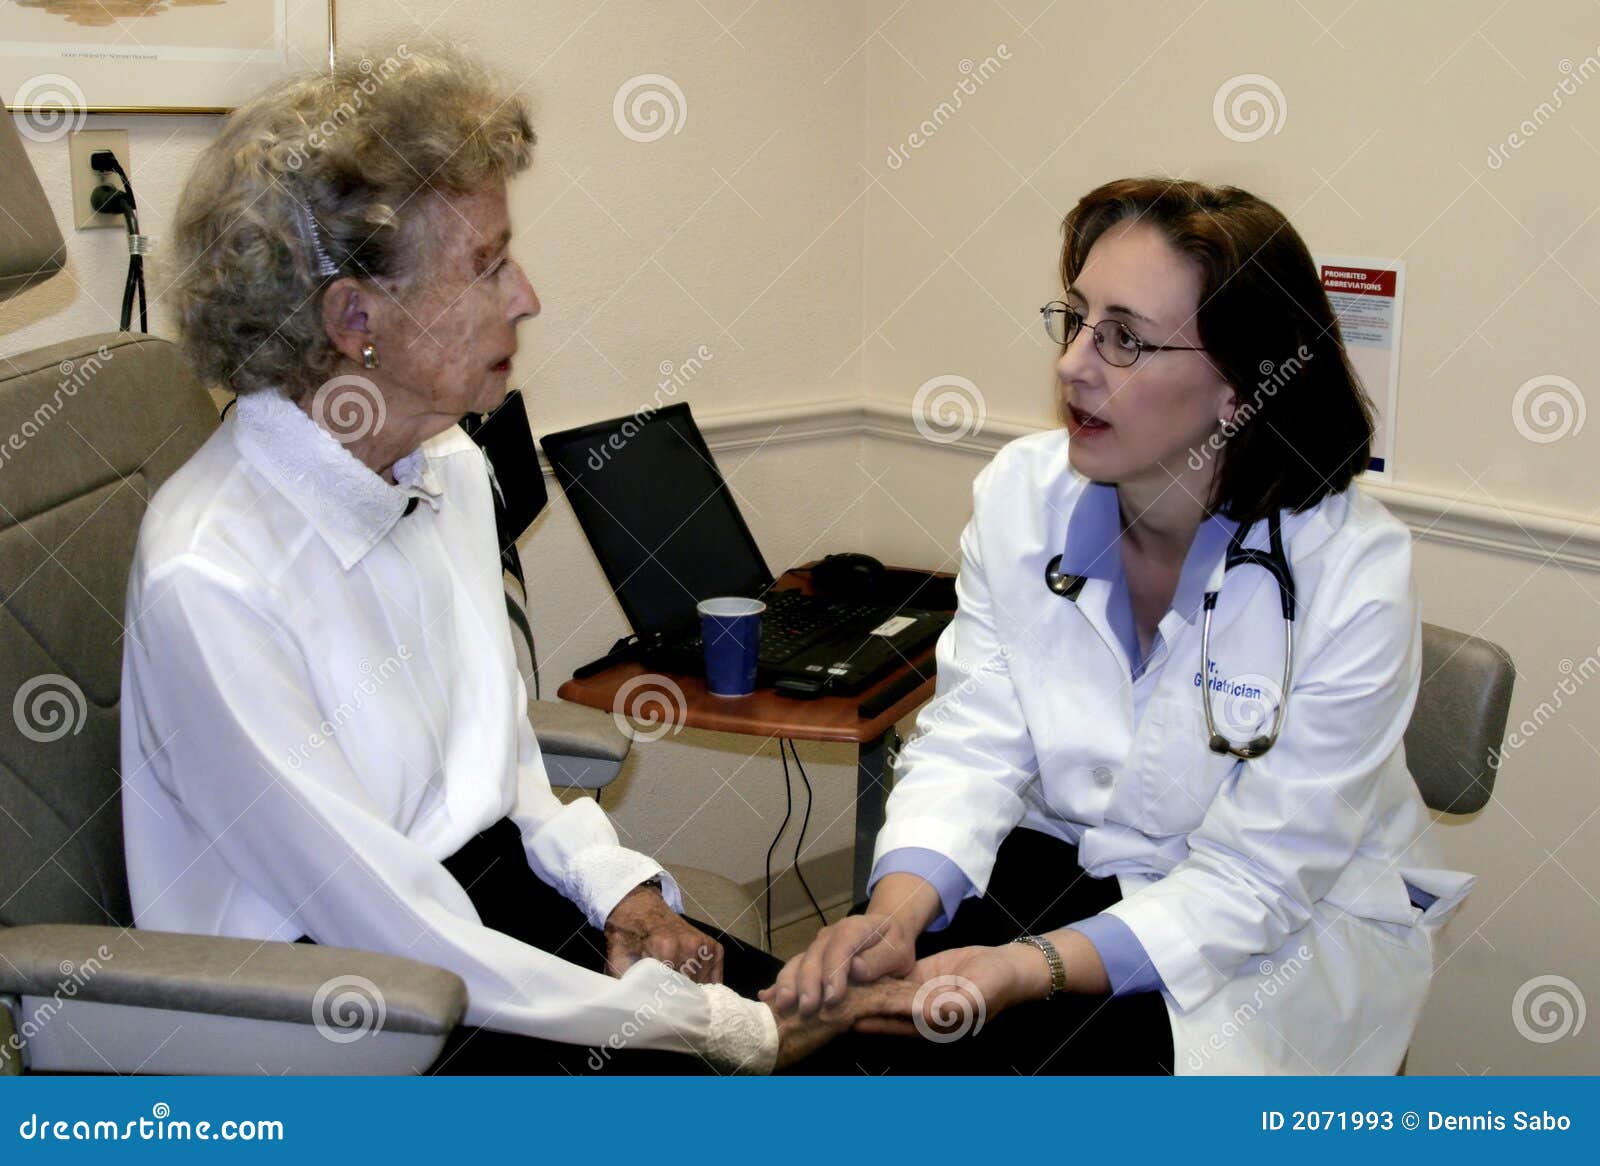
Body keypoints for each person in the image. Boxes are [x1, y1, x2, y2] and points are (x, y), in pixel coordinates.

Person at [121, 45, 872, 1075]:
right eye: (485, 265)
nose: (525, 297)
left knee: (864, 1052)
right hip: (343, 1008)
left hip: (479, 920)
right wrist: (721, 1030)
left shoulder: (448, 467)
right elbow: (382, 921)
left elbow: (505, 766)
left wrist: (617, 890)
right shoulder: (212, 577)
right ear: (354, 319)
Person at [766, 178, 1475, 1074]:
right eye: (1076, 320)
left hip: (1277, 928)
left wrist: (1024, 970)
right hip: (1073, 848)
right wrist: (894, 914)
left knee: (1034, 1066)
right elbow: (974, 743)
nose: (1073, 365)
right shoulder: (1023, 496)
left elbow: (1258, 878)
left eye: (1126, 339)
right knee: (864, 1026)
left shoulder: (1351, 572)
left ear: (1239, 389)